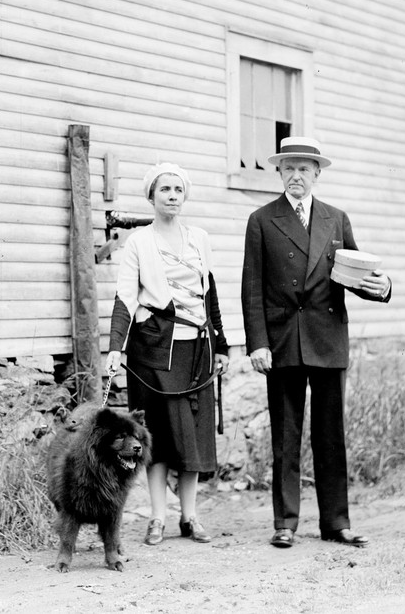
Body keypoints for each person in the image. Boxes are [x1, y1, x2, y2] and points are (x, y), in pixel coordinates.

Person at [241, 137, 391, 549]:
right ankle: (285, 522)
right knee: (285, 438)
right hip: (283, 342)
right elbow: (251, 289)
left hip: (327, 340)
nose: (296, 176)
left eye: (304, 169)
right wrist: (257, 343)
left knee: (330, 436)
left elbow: (357, 272)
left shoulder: (336, 219)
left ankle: (335, 522)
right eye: (289, 168)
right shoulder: (261, 219)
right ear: (279, 173)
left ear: (317, 174)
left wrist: (382, 286)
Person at [105, 163, 230, 546]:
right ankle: (158, 517)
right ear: (152, 196)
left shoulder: (199, 239)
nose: (172, 195)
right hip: (154, 351)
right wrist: (115, 347)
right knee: (154, 438)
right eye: (165, 189)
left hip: (197, 351)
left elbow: (210, 294)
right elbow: (126, 299)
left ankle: (190, 517)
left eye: (178, 189)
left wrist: (222, 344)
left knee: (191, 439)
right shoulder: (138, 243)